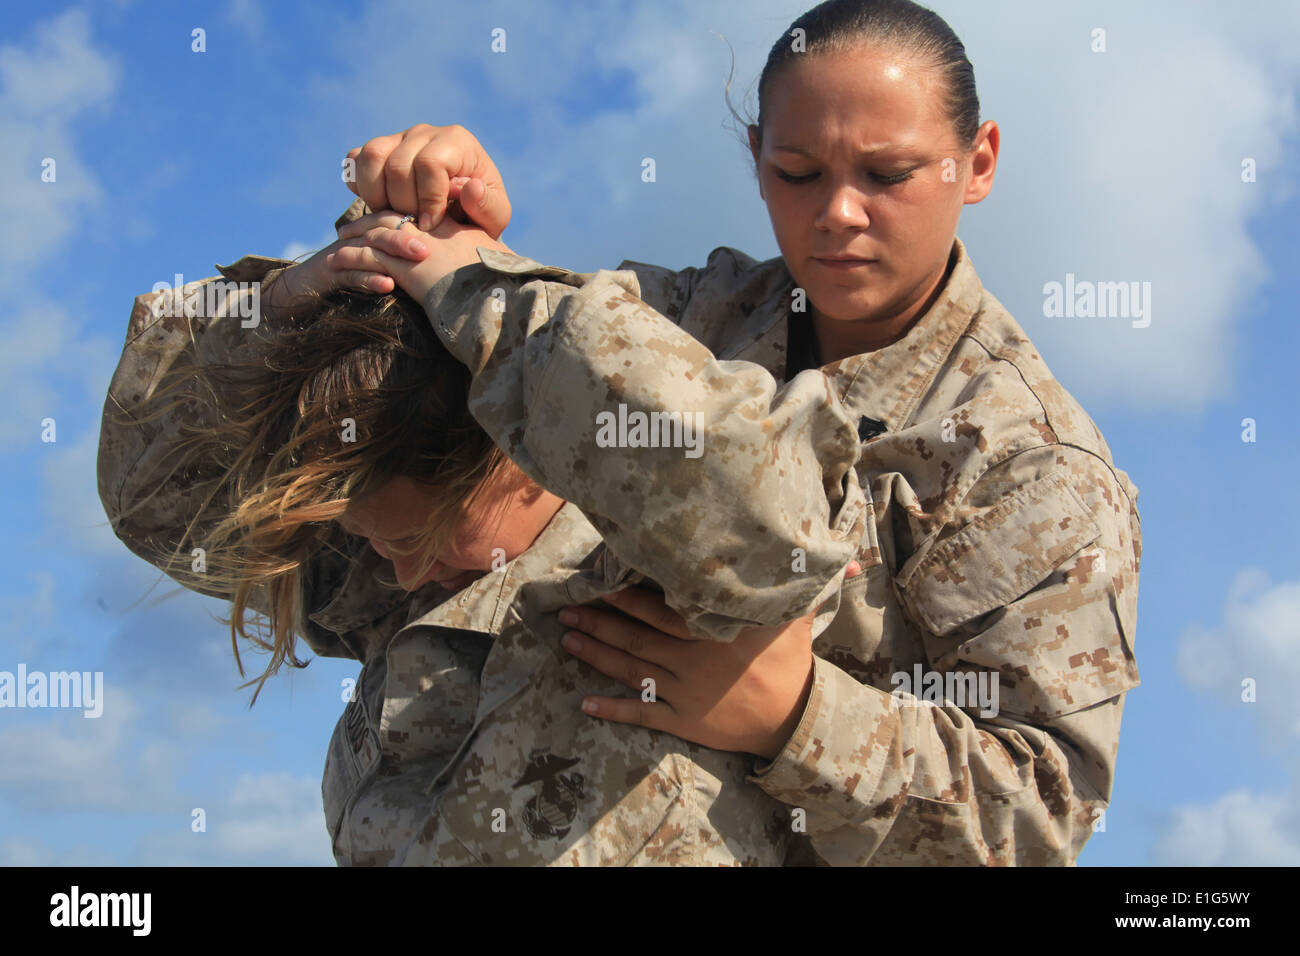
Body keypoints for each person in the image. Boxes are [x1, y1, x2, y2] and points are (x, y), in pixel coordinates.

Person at [316, 0, 1144, 866]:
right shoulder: (687, 318)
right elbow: (532, 347)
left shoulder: (1031, 466)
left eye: (889, 173)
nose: (839, 213)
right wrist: (444, 229)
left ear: (977, 164)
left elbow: (1042, 812)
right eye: (797, 171)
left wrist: (796, 714)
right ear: (754, 159)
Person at [97, 245, 863, 865]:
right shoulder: (400, 593)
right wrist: (274, 311)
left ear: (507, 449)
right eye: (371, 540)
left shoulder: (679, 570)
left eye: (408, 539)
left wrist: (491, 298)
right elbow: (151, 503)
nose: (396, 571)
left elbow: (772, 514)